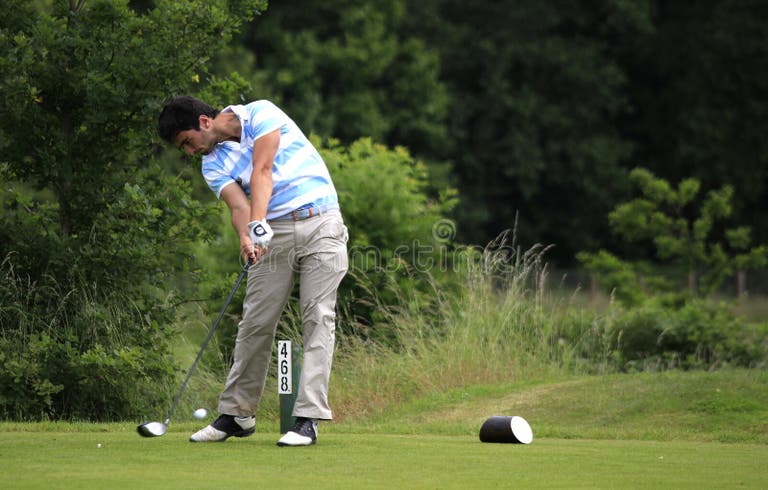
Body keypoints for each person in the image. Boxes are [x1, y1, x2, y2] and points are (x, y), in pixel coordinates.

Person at [158, 96, 348, 446]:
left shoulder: (262, 112)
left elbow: (263, 171)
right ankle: (237, 414)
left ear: (203, 121)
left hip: (321, 221)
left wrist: (257, 224)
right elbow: (239, 204)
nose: (188, 151)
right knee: (255, 322)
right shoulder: (210, 165)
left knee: (318, 317)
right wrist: (247, 236)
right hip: (272, 234)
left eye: (187, 141)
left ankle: (307, 419)